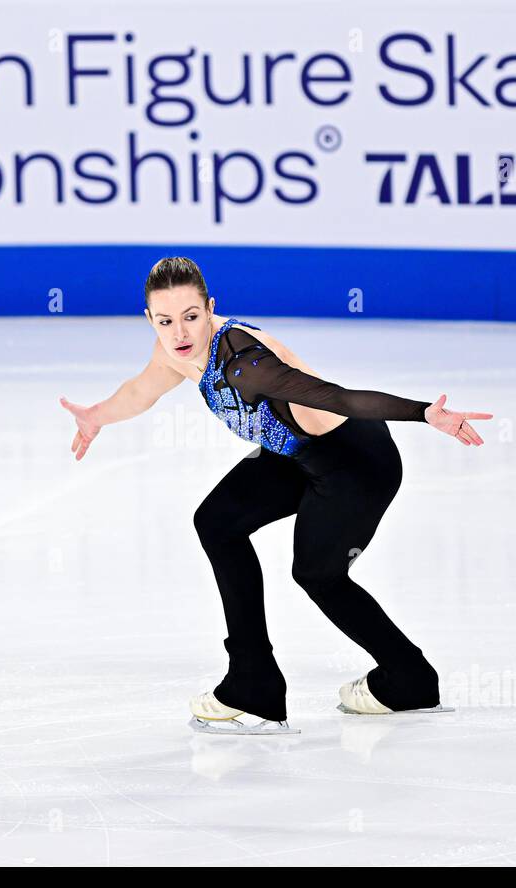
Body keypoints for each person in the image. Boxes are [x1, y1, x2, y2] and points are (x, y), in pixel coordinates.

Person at [59, 257, 492, 733]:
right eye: (165, 321)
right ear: (150, 319)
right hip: (294, 454)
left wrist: (423, 413)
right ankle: (253, 681)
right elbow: (142, 391)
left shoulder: (248, 366)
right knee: (218, 522)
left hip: (355, 464)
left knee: (318, 575)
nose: (180, 331)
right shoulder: (175, 351)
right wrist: (97, 415)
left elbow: (339, 399)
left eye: (191, 316)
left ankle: (410, 679)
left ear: (211, 309)